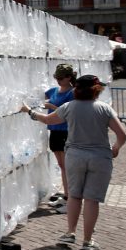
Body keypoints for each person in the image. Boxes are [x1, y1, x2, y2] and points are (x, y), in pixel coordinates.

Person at [21, 75, 126, 250]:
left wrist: (29, 111)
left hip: (75, 155)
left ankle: (70, 233)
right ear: (97, 90)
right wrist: (116, 148)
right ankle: (87, 240)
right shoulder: (104, 109)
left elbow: (47, 120)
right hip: (100, 157)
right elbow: (122, 134)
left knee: (74, 196)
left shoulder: (69, 107)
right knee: (92, 199)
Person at [42, 64, 76, 213]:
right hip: (54, 130)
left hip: (65, 131)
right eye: (57, 77)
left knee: (68, 166)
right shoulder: (53, 91)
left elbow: (70, 112)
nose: (58, 80)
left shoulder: (72, 93)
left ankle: (71, 199)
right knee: (62, 165)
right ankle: (67, 195)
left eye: (61, 78)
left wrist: (52, 107)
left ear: (69, 77)